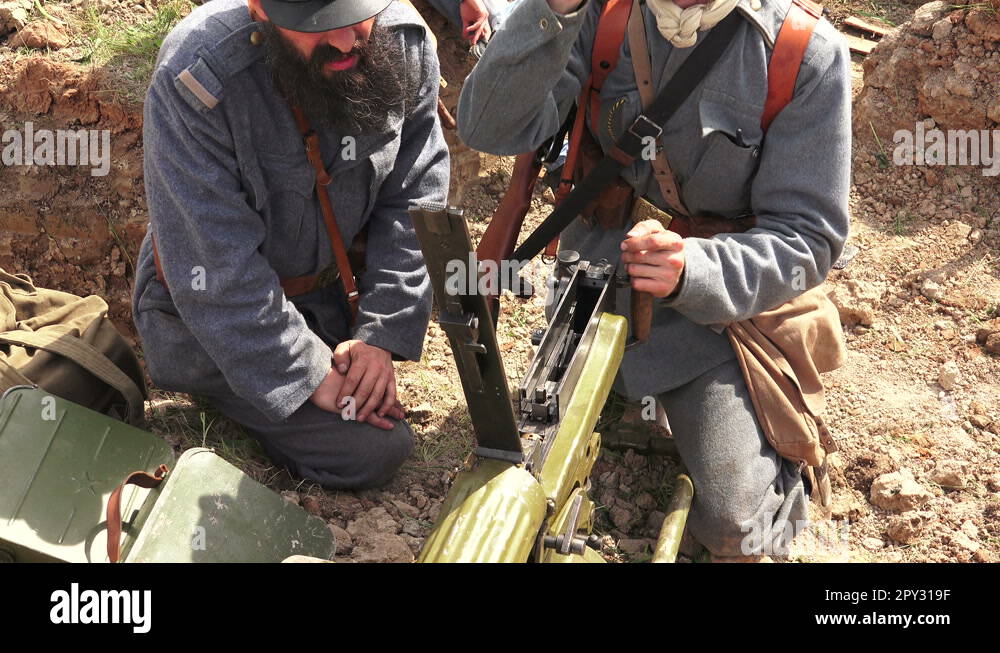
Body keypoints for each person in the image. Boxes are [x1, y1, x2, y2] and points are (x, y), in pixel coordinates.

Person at [457, 0, 851, 560]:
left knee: (739, 526)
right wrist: (552, 12)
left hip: (707, 325)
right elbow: (487, 126)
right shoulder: (598, 14)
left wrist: (695, 269)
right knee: (518, 476)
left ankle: (778, 458)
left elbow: (806, 238)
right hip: (587, 293)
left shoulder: (802, 54)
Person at [132, 0, 450, 489]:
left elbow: (415, 197)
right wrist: (310, 374)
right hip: (216, 317)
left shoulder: (404, 46)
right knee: (375, 448)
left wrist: (381, 334)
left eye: (356, 14)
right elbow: (215, 268)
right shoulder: (199, 78)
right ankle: (231, 384)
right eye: (320, 26)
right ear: (260, 10)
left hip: (334, 302)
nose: (346, 41)